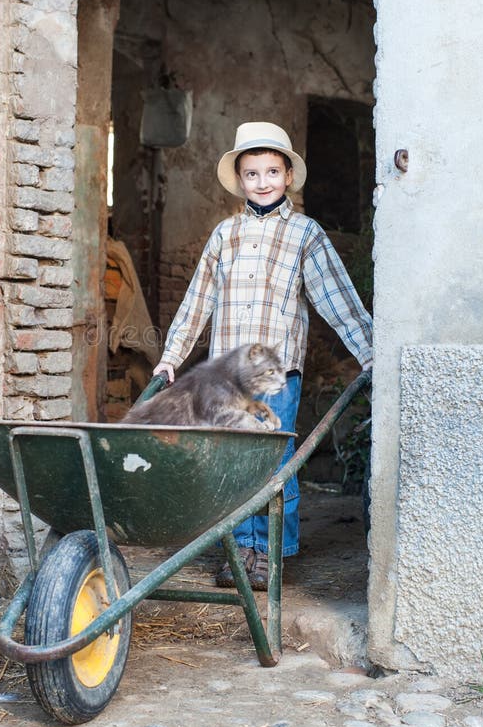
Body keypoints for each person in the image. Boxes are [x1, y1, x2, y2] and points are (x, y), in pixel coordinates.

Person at [153, 122, 373, 590]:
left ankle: (269, 553)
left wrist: (369, 352)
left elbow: (337, 299)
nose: (263, 181)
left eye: (272, 170)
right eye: (252, 173)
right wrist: (172, 355)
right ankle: (237, 551)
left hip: (276, 378)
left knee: (274, 463)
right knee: (228, 462)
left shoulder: (305, 235)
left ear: (289, 175)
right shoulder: (224, 236)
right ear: (240, 179)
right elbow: (198, 301)